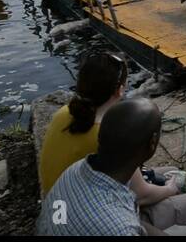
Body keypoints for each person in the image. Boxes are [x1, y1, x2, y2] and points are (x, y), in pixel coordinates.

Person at [37, 98, 186, 236]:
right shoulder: (121, 229)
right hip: (119, 224)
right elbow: (123, 226)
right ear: (152, 143)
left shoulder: (77, 169)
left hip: (121, 219)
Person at [38, 52, 129, 196]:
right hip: (79, 214)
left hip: (53, 203)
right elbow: (140, 193)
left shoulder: (64, 112)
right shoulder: (106, 136)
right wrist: (172, 188)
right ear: (119, 90)